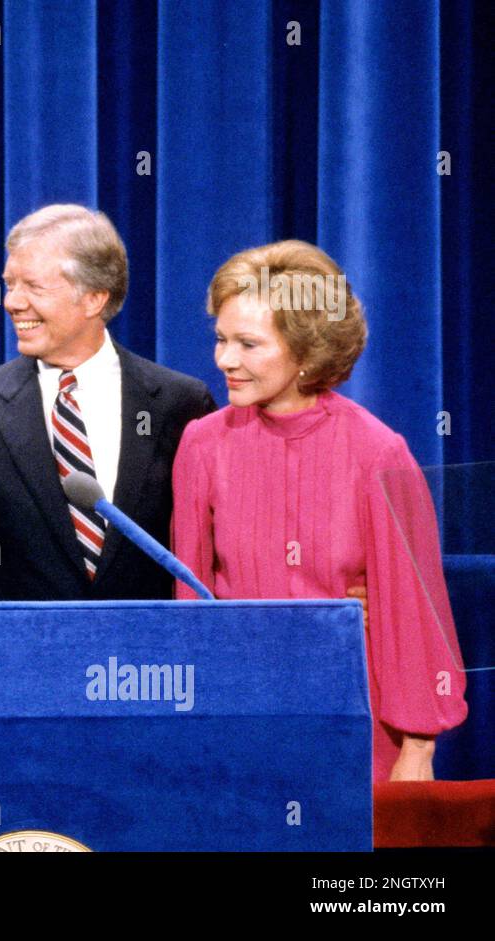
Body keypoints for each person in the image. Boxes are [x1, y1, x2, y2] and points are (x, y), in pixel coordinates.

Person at [172, 239, 467, 781]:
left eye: (248, 344)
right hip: (238, 726)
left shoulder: (380, 453)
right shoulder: (201, 443)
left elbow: (414, 614)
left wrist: (417, 751)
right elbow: (189, 599)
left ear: (307, 353)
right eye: (221, 339)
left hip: (353, 727)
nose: (224, 360)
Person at [0, 204, 215, 600]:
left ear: (94, 298)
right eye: (9, 284)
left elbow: (203, 551)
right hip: (17, 656)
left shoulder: (179, 403)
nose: (12, 302)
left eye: (33, 287)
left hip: (145, 654)